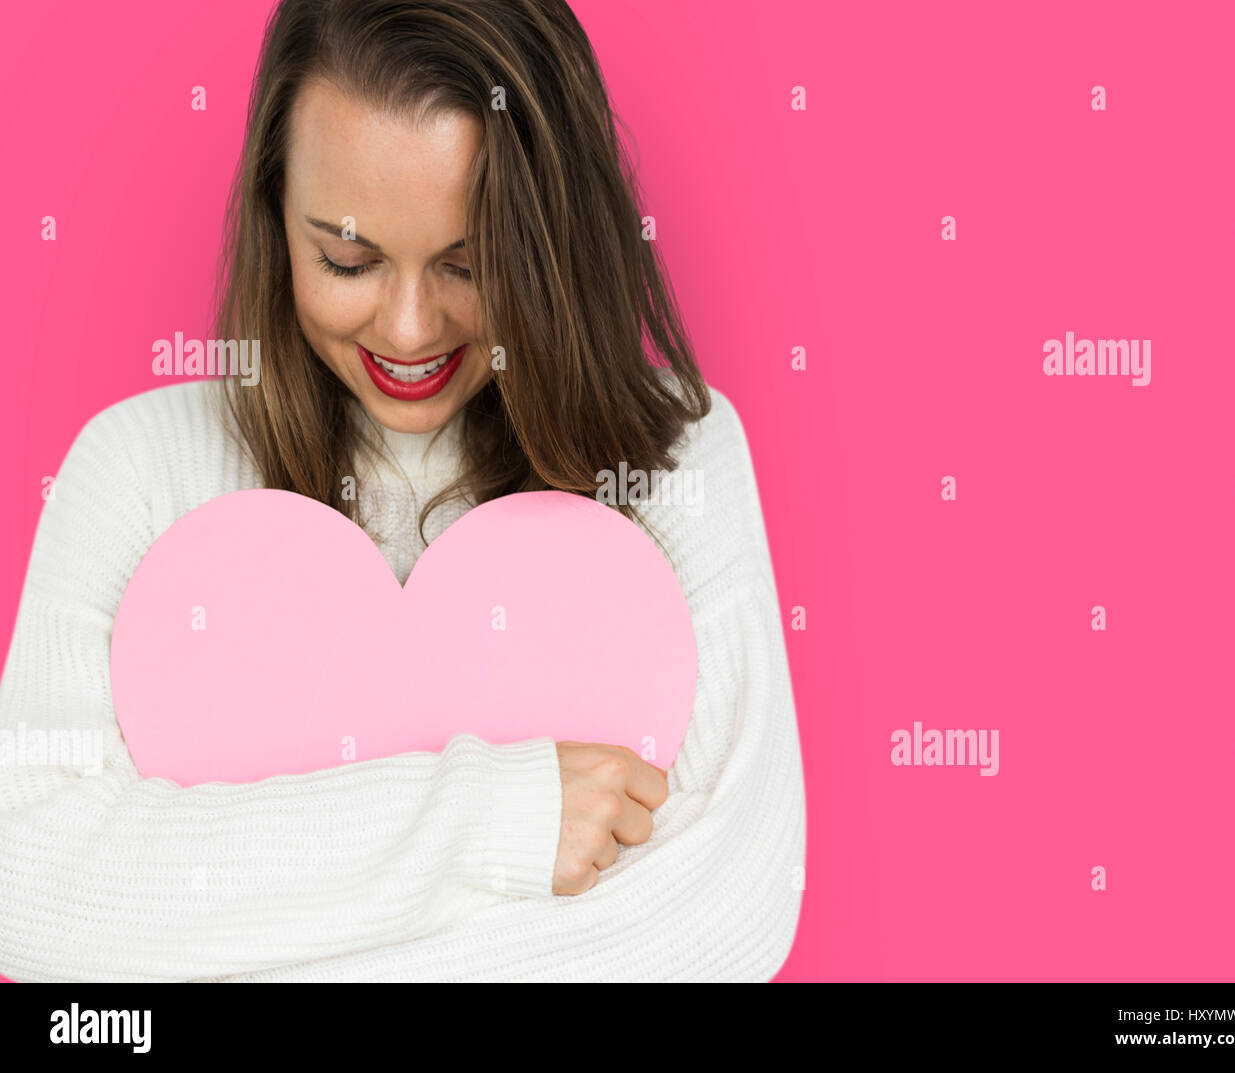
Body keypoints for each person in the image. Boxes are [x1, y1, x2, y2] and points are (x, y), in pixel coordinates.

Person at [0, 0, 804, 981]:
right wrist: (497, 818)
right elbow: (33, 892)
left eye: (470, 263)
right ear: (272, 210)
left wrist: (228, 928)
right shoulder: (137, 467)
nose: (411, 327)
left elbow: (725, 923)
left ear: (551, 240)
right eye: (349, 259)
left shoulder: (678, 451)